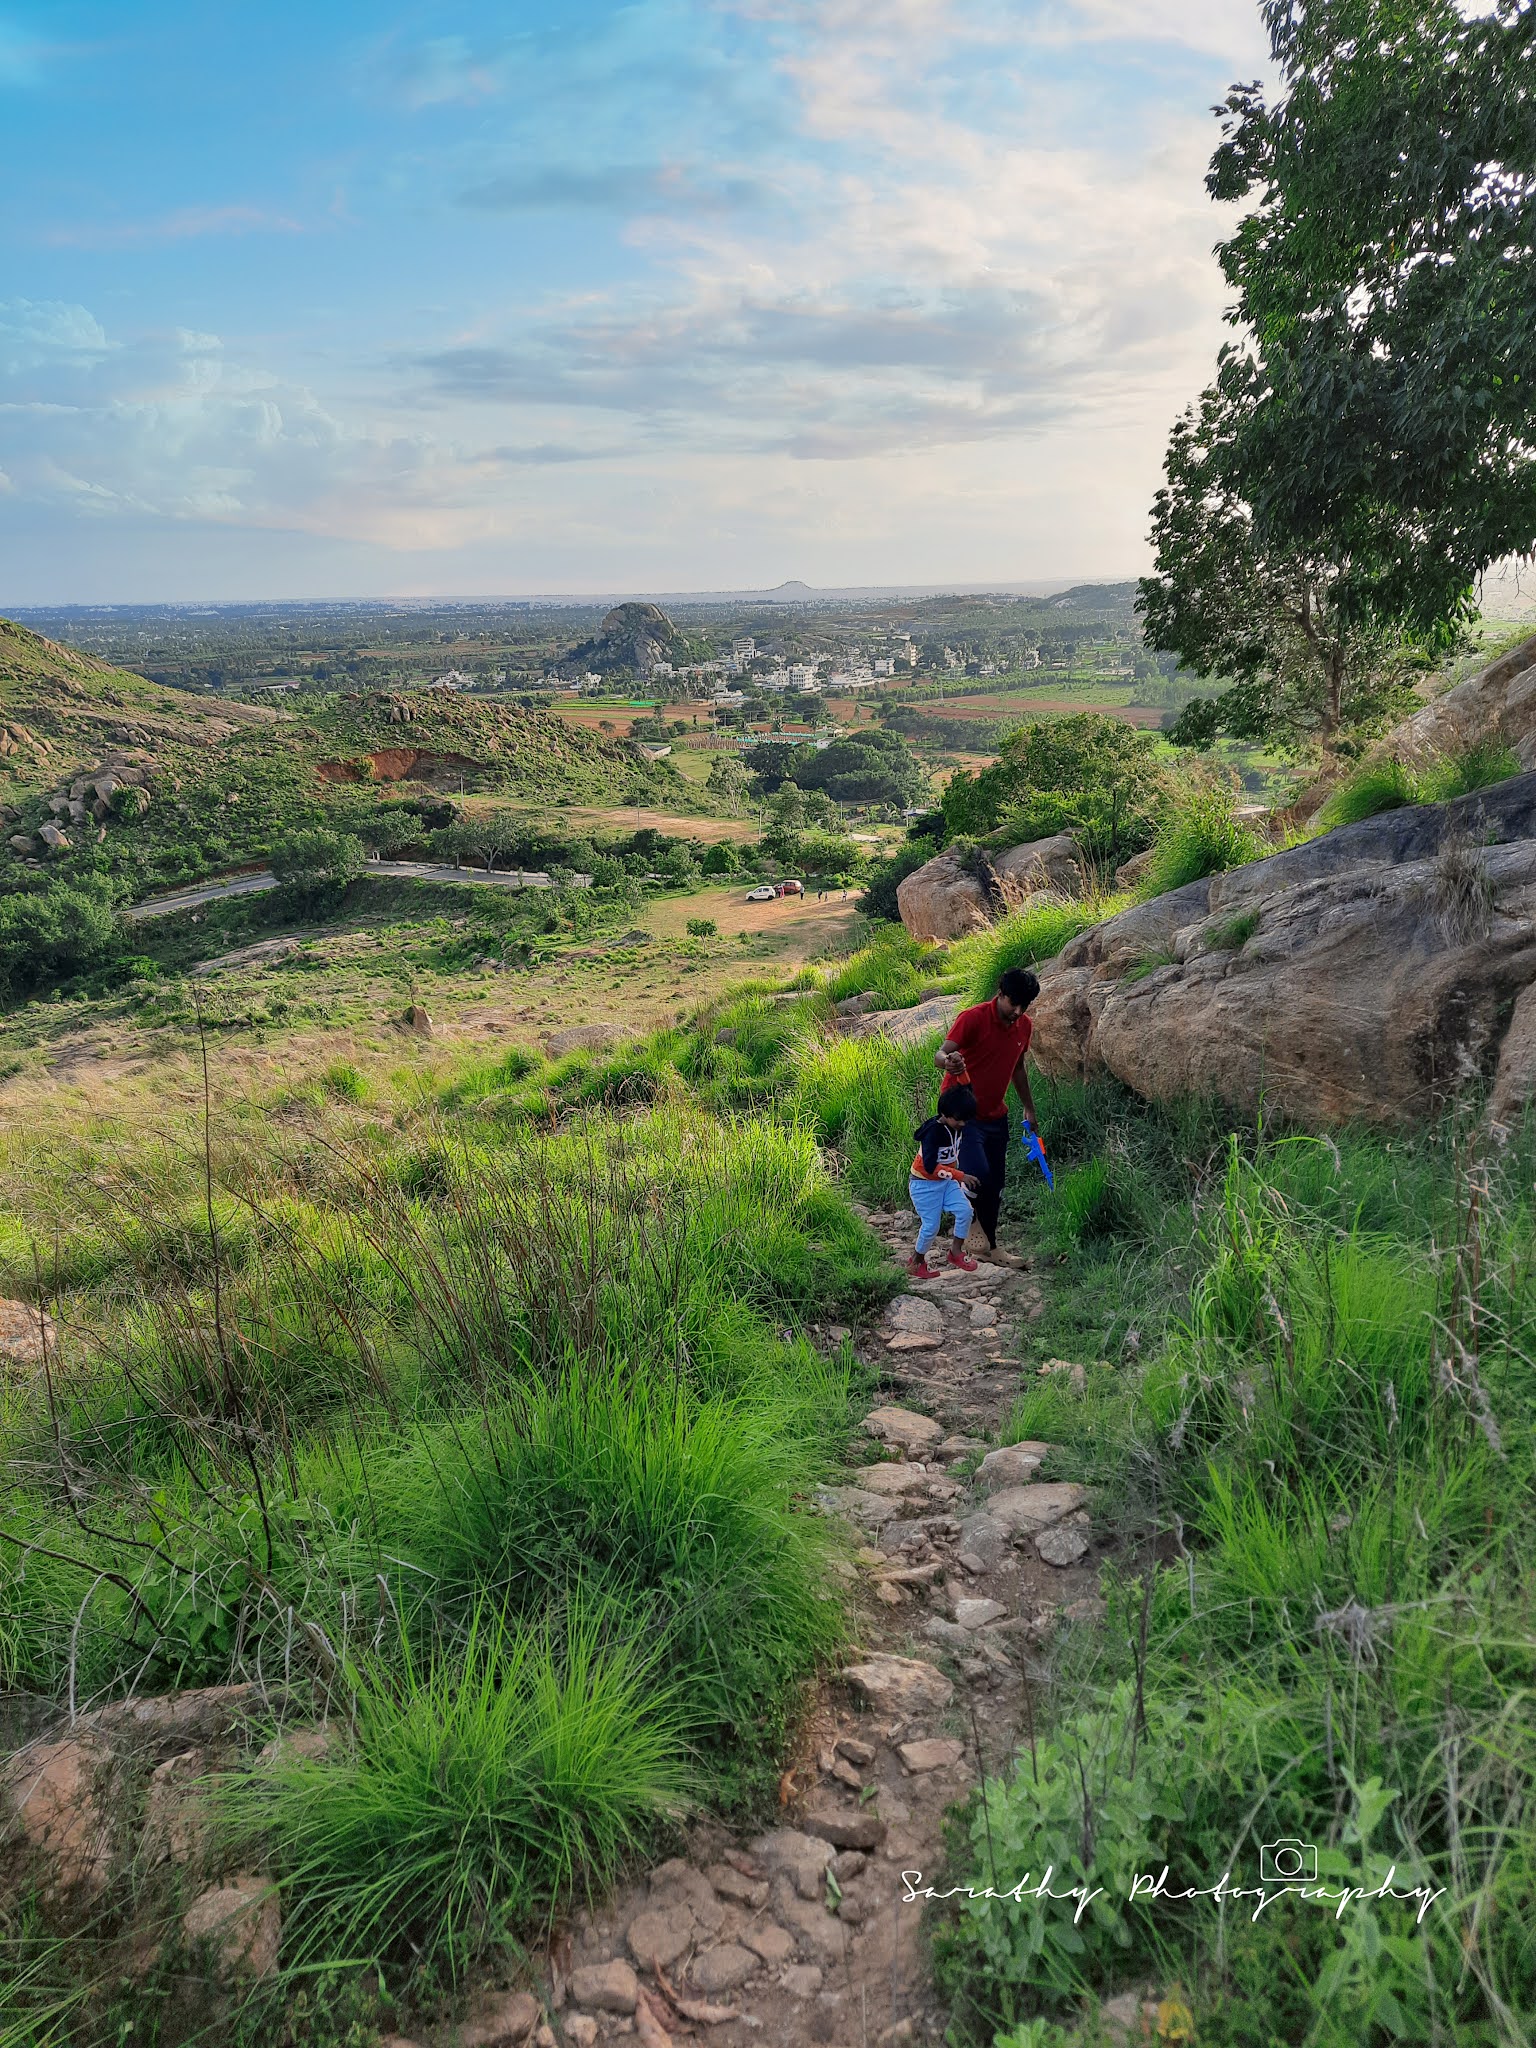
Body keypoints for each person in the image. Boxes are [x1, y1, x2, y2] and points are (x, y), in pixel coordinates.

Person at [934, 966, 1042, 1257]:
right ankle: (966, 1217)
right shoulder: (973, 1018)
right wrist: (948, 1061)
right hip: (961, 1113)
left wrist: (1029, 1108)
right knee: (977, 1172)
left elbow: (1018, 1069)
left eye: (1024, 1005)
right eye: (1013, 1003)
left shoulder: (1024, 1026)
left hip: (996, 1114)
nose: (1018, 1011)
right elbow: (940, 1053)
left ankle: (991, 1248)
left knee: (995, 1185)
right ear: (1000, 994)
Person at [907, 1083, 984, 1278]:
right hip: (924, 1185)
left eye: (966, 1120)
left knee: (965, 1211)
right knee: (931, 1226)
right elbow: (930, 1167)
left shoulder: (955, 1125)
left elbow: (967, 1086)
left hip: (946, 1182)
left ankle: (955, 1252)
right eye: (959, 1120)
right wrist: (960, 1176)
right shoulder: (933, 1133)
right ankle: (916, 1262)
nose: (963, 1124)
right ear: (946, 1114)